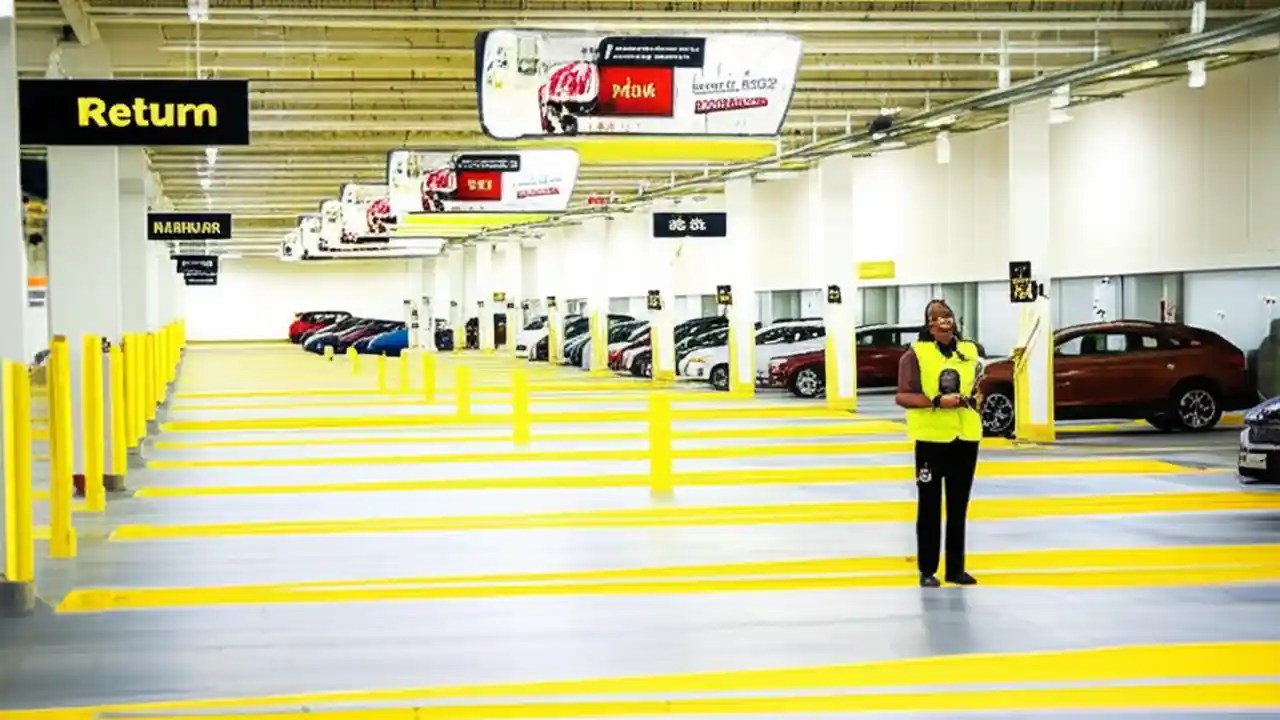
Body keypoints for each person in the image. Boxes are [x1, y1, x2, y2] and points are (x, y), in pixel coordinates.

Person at [895, 299, 984, 587]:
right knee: (929, 506)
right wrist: (935, 401)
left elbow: (979, 383)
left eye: (948, 316)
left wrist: (978, 397)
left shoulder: (970, 351)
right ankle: (927, 570)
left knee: (959, 505)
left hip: (965, 437)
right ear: (928, 324)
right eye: (937, 317)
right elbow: (903, 395)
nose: (944, 322)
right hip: (931, 440)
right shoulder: (915, 355)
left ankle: (956, 569)